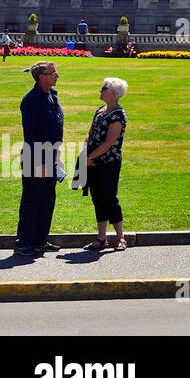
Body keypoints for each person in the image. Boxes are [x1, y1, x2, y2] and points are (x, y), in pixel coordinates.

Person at [16, 61, 64, 257]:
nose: (57, 75)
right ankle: (23, 242)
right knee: (32, 200)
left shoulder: (52, 96)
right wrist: (40, 162)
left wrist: (57, 156)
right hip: (35, 158)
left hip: (51, 155)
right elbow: (31, 135)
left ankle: (39, 240)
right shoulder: (31, 100)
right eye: (53, 73)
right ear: (41, 77)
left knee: (47, 199)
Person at [82, 76, 129, 251]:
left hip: (108, 162)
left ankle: (120, 237)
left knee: (109, 197)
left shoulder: (117, 115)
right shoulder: (100, 111)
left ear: (113, 93)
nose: (100, 90)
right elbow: (91, 133)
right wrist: (86, 151)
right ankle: (101, 238)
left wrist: (91, 157)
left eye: (104, 88)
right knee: (97, 198)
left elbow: (109, 142)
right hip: (93, 161)